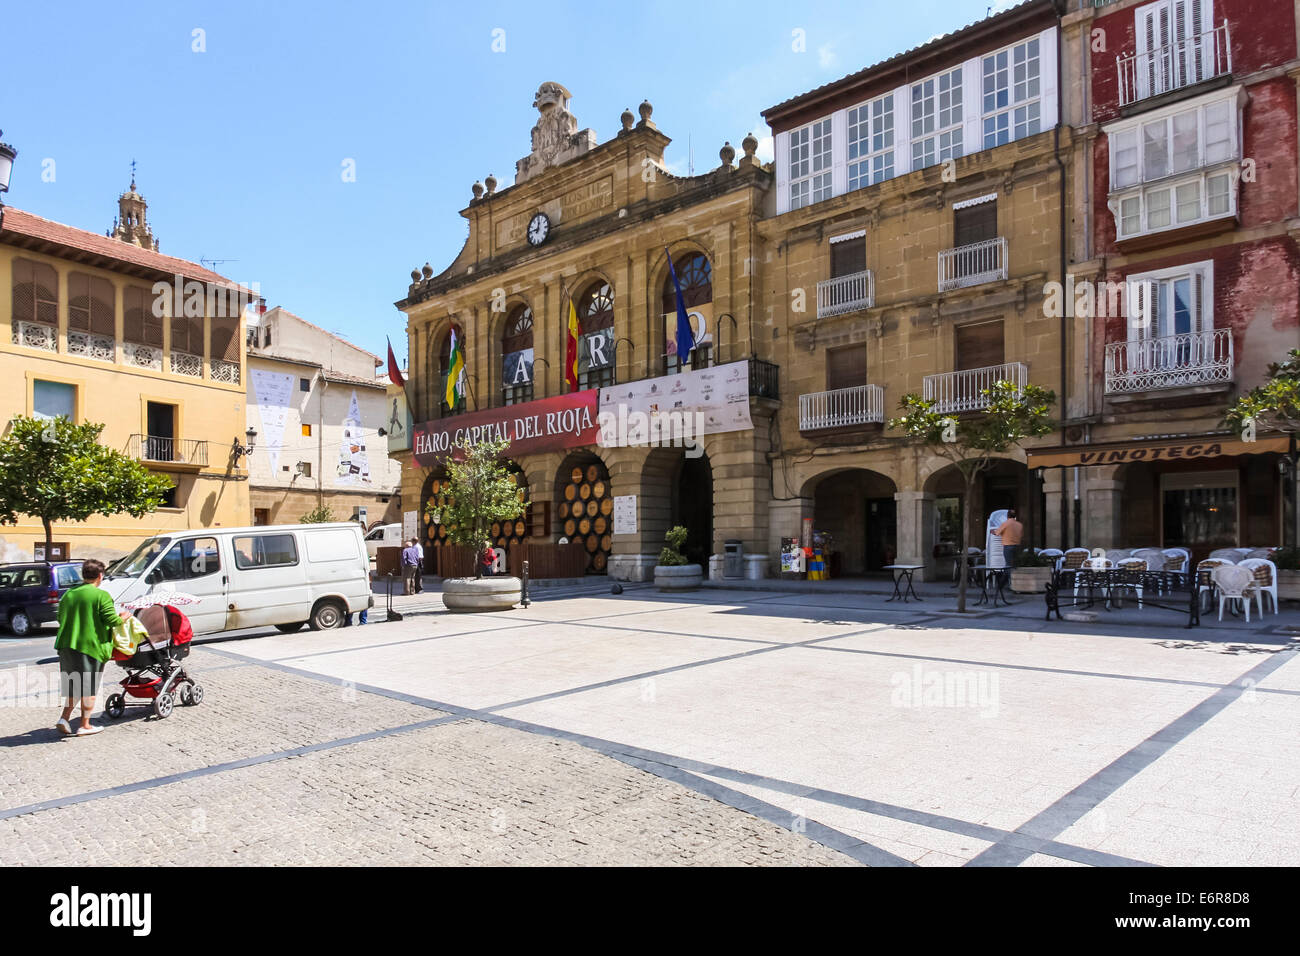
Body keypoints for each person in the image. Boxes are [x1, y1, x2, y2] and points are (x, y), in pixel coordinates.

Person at [54, 559, 130, 737]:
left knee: (73, 684)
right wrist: (124, 617)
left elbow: (60, 617)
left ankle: (64, 718)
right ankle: (85, 725)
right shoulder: (101, 595)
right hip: (90, 647)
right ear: (100, 576)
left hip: (66, 644)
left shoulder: (69, 594)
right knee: (88, 687)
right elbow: (112, 621)